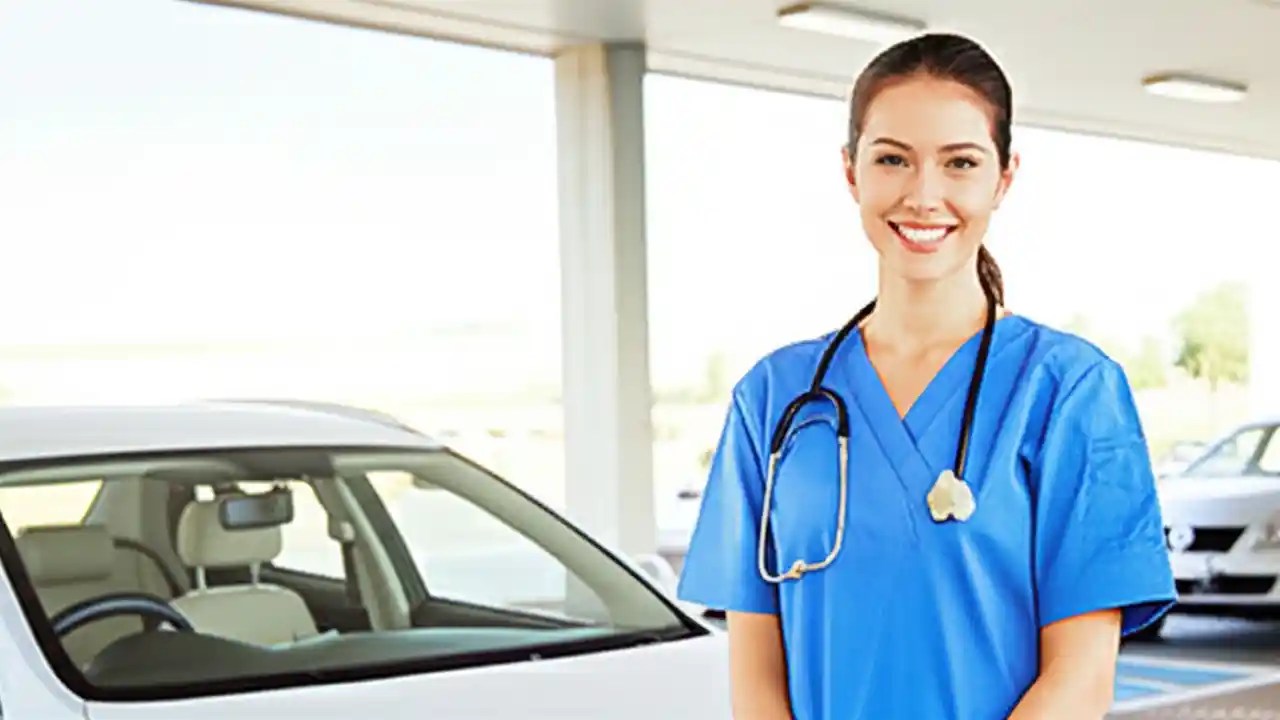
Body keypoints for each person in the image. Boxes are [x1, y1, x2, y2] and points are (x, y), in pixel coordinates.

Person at [675, 32, 1176, 720]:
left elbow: (1080, 682)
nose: (924, 195)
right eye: (893, 159)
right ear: (851, 172)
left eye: (960, 162)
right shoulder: (773, 399)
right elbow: (757, 678)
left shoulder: (1069, 392)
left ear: (1003, 178)